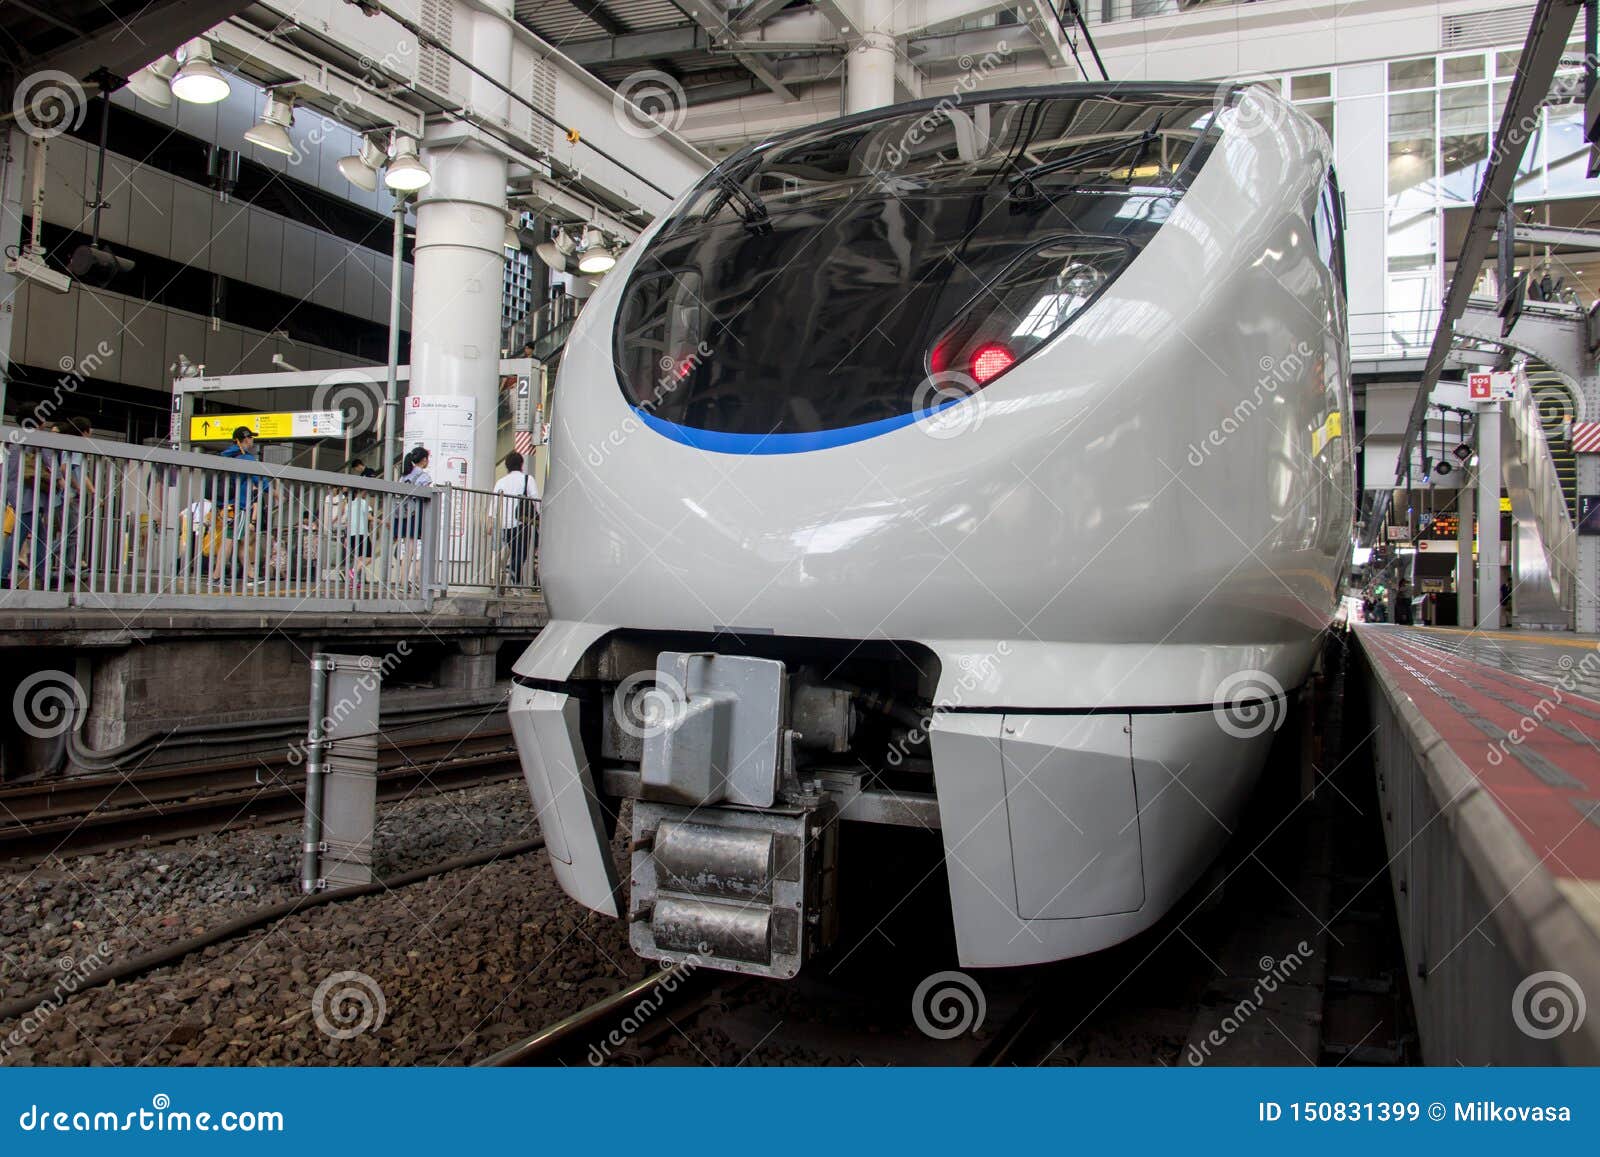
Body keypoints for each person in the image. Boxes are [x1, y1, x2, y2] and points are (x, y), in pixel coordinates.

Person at [212, 426, 267, 589]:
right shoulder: (245, 458)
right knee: (229, 541)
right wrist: (274, 492)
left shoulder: (227, 455)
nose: (252, 441)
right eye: (251, 438)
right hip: (238, 506)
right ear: (245, 439)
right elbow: (259, 478)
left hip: (224, 506)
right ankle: (216, 577)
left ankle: (250, 576)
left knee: (241, 542)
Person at [492, 451, 540, 586]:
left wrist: (490, 520)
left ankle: (515, 583)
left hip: (505, 525)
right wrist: (540, 517)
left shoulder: (500, 482)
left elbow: (494, 503)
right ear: (521, 464)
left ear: (506, 466)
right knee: (521, 554)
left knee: (514, 553)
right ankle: (511, 574)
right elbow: (536, 499)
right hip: (522, 522)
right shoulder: (527, 479)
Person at [393, 446, 432, 588]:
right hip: (415, 513)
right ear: (424, 460)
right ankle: (405, 582)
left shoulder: (404, 475)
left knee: (407, 548)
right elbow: (427, 495)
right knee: (411, 548)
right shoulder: (423, 476)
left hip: (401, 514)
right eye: (427, 459)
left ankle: (404, 580)